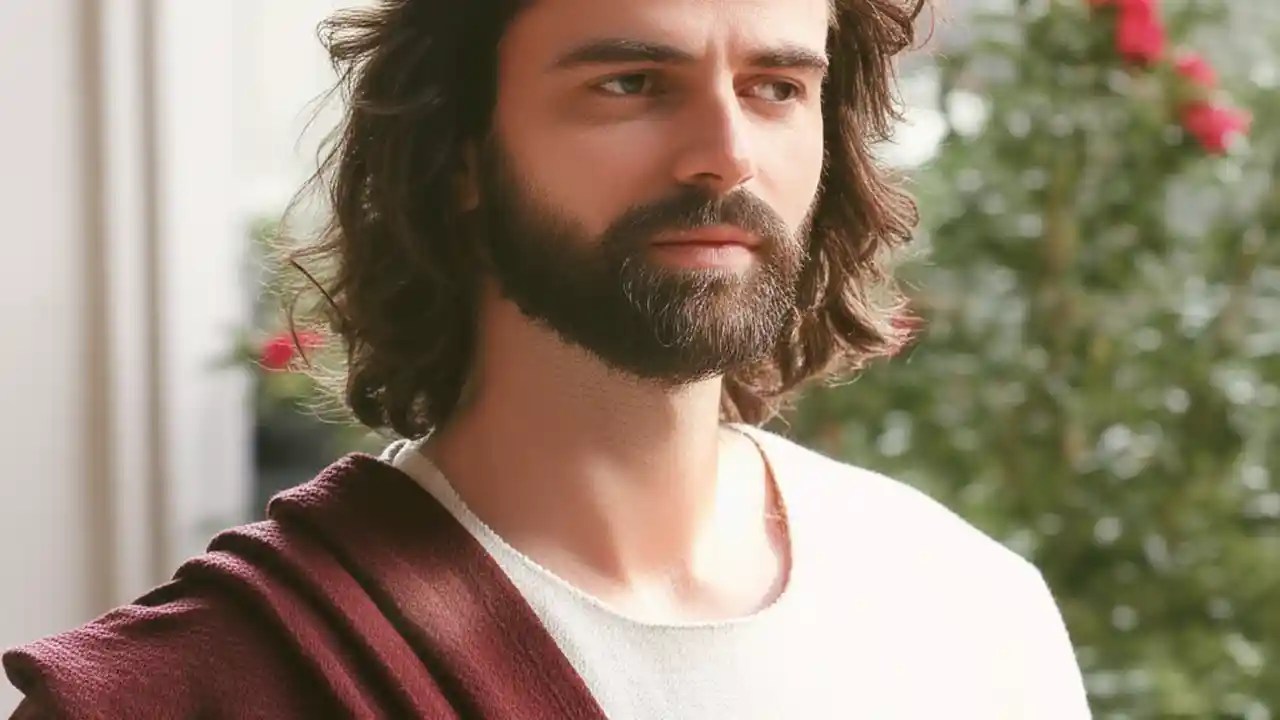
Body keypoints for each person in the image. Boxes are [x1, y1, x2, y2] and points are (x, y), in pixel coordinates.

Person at [4, 0, 1093, 717]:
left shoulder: (964, 613)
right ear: (462, 150)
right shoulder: (197, 693)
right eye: (629, 82)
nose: (723, 150)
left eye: (775, 87)